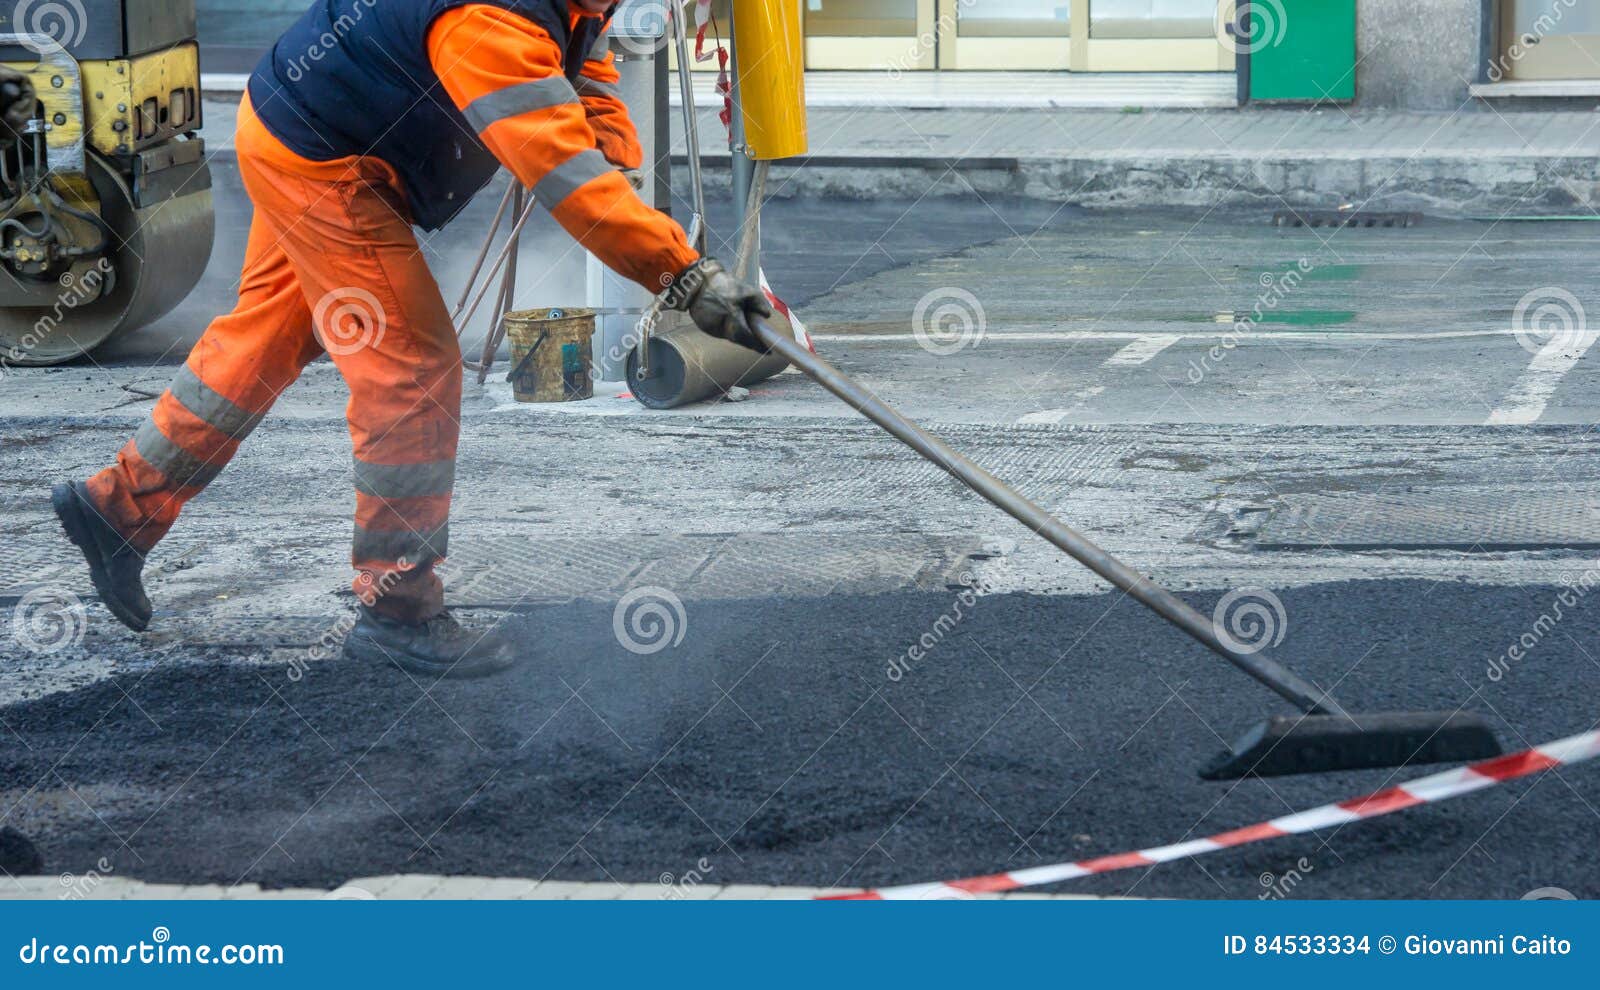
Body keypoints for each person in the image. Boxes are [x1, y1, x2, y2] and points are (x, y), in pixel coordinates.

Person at [50, 0, 771, 678]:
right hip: (327, 163)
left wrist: (605, 138)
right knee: (413, 369)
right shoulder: (488, 22)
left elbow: (580, 61)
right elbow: (565, 176)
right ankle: (397, 608)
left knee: (270, 334)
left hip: (291, 125)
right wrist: (685, 275)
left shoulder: (564, 4)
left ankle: (118, 508)